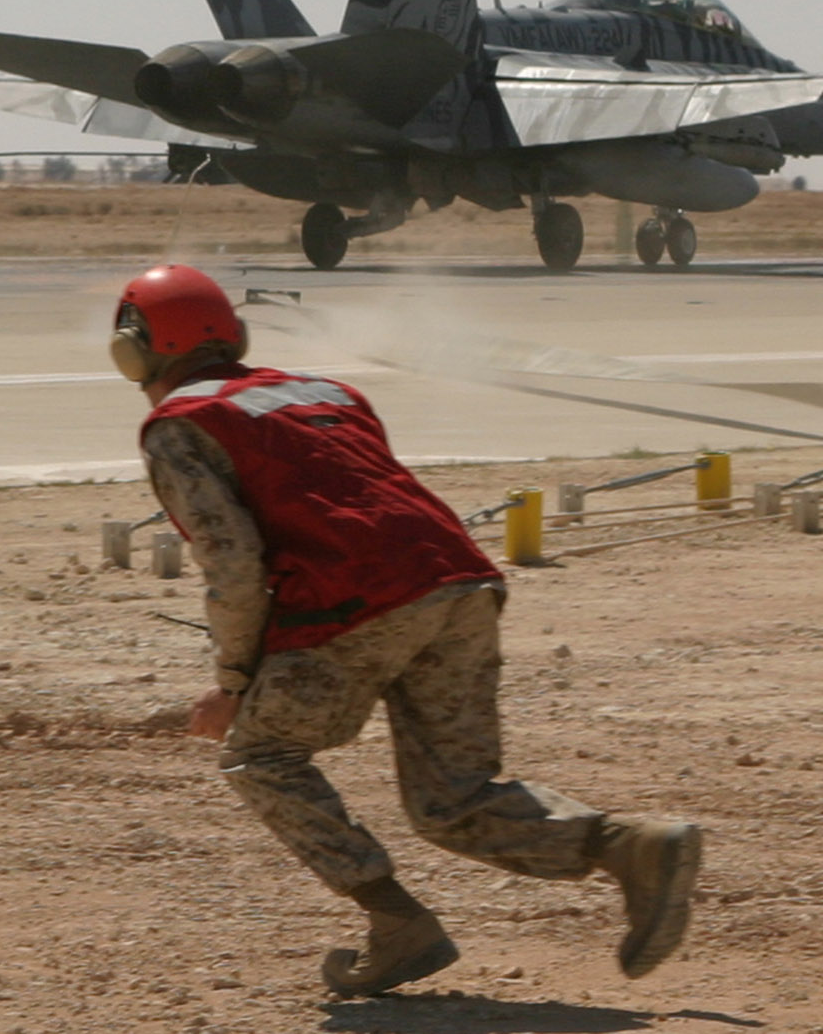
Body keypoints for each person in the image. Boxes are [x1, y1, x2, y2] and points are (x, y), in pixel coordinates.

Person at [109, 264, 701, 997]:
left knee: (260, 755)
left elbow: (232, 566)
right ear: (236, 333)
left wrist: (234, 684)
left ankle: (397, 925)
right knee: (453, 798)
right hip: (460, 583)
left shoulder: (179, 429)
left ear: (136, 350)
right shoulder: (327, 392)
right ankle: (627, 845)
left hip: (357, 601)